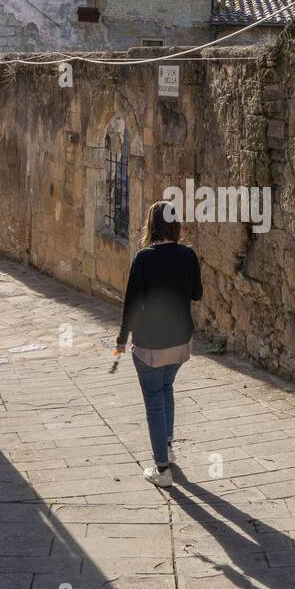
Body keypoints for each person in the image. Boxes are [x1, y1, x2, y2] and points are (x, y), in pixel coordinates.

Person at [116, 200, 203, 484]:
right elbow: (197, 294)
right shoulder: (188, 256)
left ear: (151, 225)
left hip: (150, 345)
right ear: (176, 224)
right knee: (166, 388)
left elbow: (131, 304)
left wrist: (121, 340)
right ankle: (166, 447)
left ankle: (162, 469)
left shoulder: (144, 258)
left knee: (154, 401)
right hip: (180, 343)